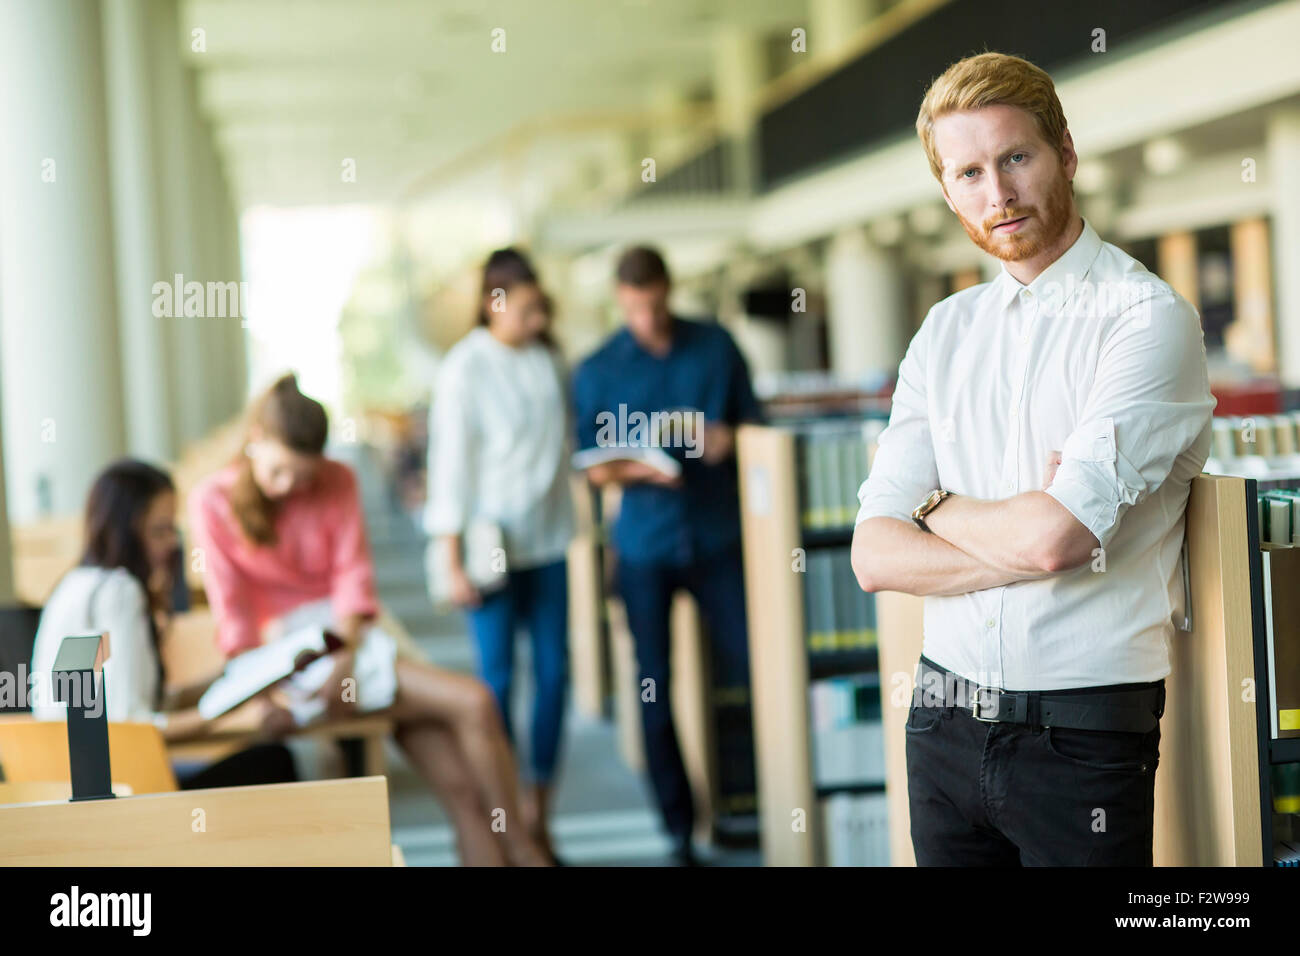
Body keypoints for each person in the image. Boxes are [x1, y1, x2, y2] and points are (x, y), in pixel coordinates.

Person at [851, 52, 1215, 866]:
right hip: (940, 714)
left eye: (1016, 157)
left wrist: (936, 508)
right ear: (947, 190)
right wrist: (1022, 530)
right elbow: (873, 556)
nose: (998, 194)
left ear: (1067, 153)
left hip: (1081, 731)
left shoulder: (1146, 321)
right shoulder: (944, 332)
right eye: (969, 172)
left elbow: (1055, 539)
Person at [189, 372, 551, 866]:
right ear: (255, 441)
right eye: (279, 472)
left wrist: (345, 660)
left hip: (348, 641)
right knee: (474, 702)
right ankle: (524, 848)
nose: (291, 487)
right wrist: (267, 693)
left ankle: (512, 843)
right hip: (289, 660)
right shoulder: (212, 500)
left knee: (464, 792)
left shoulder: (339, 478)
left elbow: (352, 577)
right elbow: (233, 616)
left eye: (304, 475)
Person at [572, 245, 764, 865]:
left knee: (753, 671)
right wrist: (633, 469)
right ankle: (678, 829)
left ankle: (757, 805)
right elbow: (591, 468)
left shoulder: (715, 346)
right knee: (653, 685)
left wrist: (723, 440)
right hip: (644, 547)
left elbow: (757, 430)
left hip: (718, 539)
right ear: (618, 301)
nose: (648, 320)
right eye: (634, 310)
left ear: (668, 290)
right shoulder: (597, 368)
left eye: (655, 306)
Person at [425, 248, 575, 861]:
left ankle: (539, 806)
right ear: (495, 303)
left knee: (556, 676)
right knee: (497, 684)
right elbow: (450, 465)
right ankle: (507, 821)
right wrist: (450, 556)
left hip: (548, 544)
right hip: (489, 553)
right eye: (528, 309)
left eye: (543, 308)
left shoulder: (547, 361)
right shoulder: (465, 368)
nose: (538, 320)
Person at [30, 459, 299, 789]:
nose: (173, 542)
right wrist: (225, 710)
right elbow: (134, 727)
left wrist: (230, 677)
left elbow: (137, 702)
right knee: (273, 760)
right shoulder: (120, 592)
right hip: (124, 791)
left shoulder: (72, 586)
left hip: (68, 784)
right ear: (126, 532)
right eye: (160, 530)